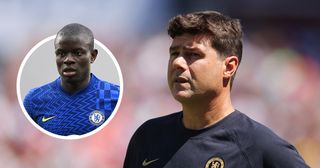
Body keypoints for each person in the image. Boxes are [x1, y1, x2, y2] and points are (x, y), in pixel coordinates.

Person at [124, 11, 308, 167]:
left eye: (193, 54)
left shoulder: (259, 146)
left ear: (228, 67)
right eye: (174, 53)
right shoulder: (148, 137)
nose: (178, 62)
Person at [23, 23, 120, 136]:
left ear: (93, 56)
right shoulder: (35, 99)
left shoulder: (113, 96)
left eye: (77, 53)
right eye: (61, 53)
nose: (68, 60)